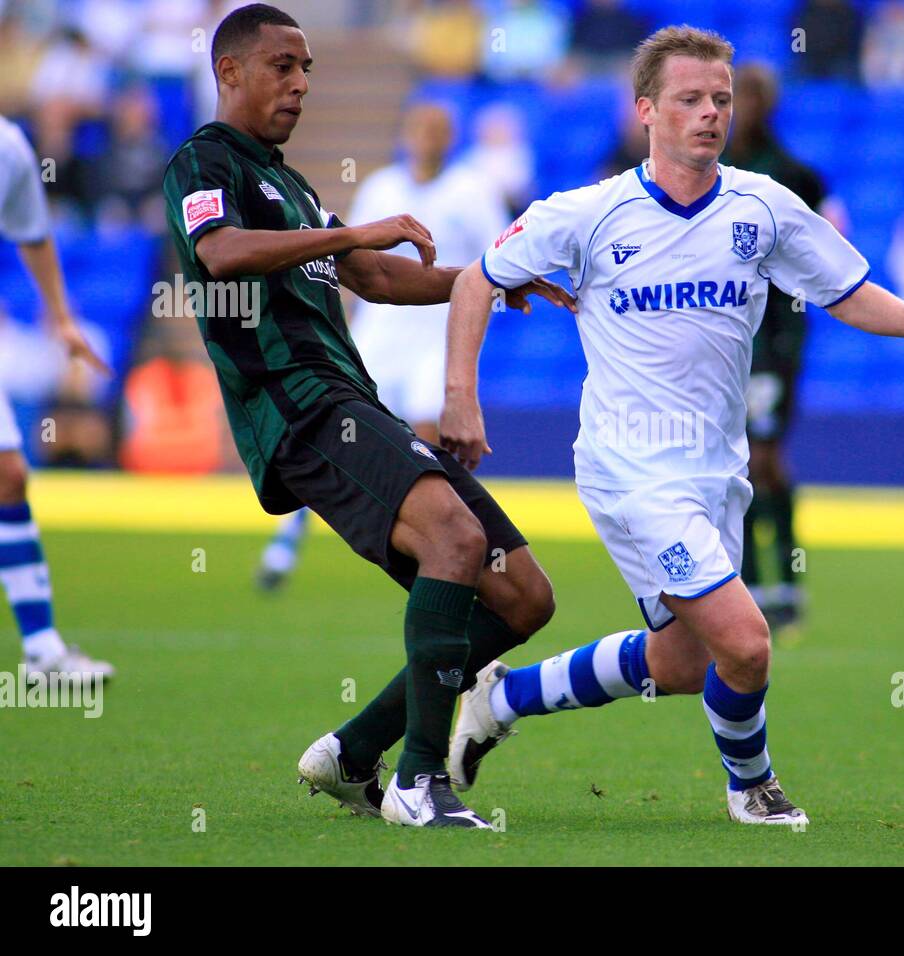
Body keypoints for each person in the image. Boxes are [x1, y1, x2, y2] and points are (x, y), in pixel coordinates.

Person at [441, 25, 904, 826]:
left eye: (721, 99)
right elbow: (475, 279)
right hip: (630, 471)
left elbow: (844, 287)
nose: (710, 113)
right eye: (689, 100)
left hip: (716, 470)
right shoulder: (588, 213)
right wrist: (461, 396)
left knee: (682, 660)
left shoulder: (762, 207)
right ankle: (754, 788)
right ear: (646, 109)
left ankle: (502, 698)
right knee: (746, 643)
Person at [162, 3, 576, 828]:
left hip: (351, 400)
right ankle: (421, 784)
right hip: (301, 407)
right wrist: (353, 233)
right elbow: (221, 255)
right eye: (284, 65)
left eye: (307, 68)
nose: (301, 83)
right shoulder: (204, 162)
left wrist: (488, 280)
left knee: (522, 598)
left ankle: (354, 753)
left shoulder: (295, 183)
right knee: (455, 542)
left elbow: (380, 280)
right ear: (230, 71)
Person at [254, 100, 510, 590]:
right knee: (338, 432)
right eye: (419, 128)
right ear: (406, 133)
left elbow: (494, 260)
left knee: (427, 429)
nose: (427, 138)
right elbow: (351, 263)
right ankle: (291, 533)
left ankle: (437, 536)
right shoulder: (381, 187)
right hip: (379, 331)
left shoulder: (473, 190)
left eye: (436, 130)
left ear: (449, 137)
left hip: (437, 332)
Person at [722, 61, 839, 633]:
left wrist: (789, 343)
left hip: (773, 340)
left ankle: (785, 582)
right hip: (722, 342)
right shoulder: (711, 173)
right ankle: (746, 582)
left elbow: (823, 253)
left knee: (764, 461)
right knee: (735, 463)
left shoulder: (794, 177)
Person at [0, 113, 115, 681]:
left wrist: (63, 318)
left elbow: (32, 233)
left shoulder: (10, 148)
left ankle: (43, 652)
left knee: (9, 477)